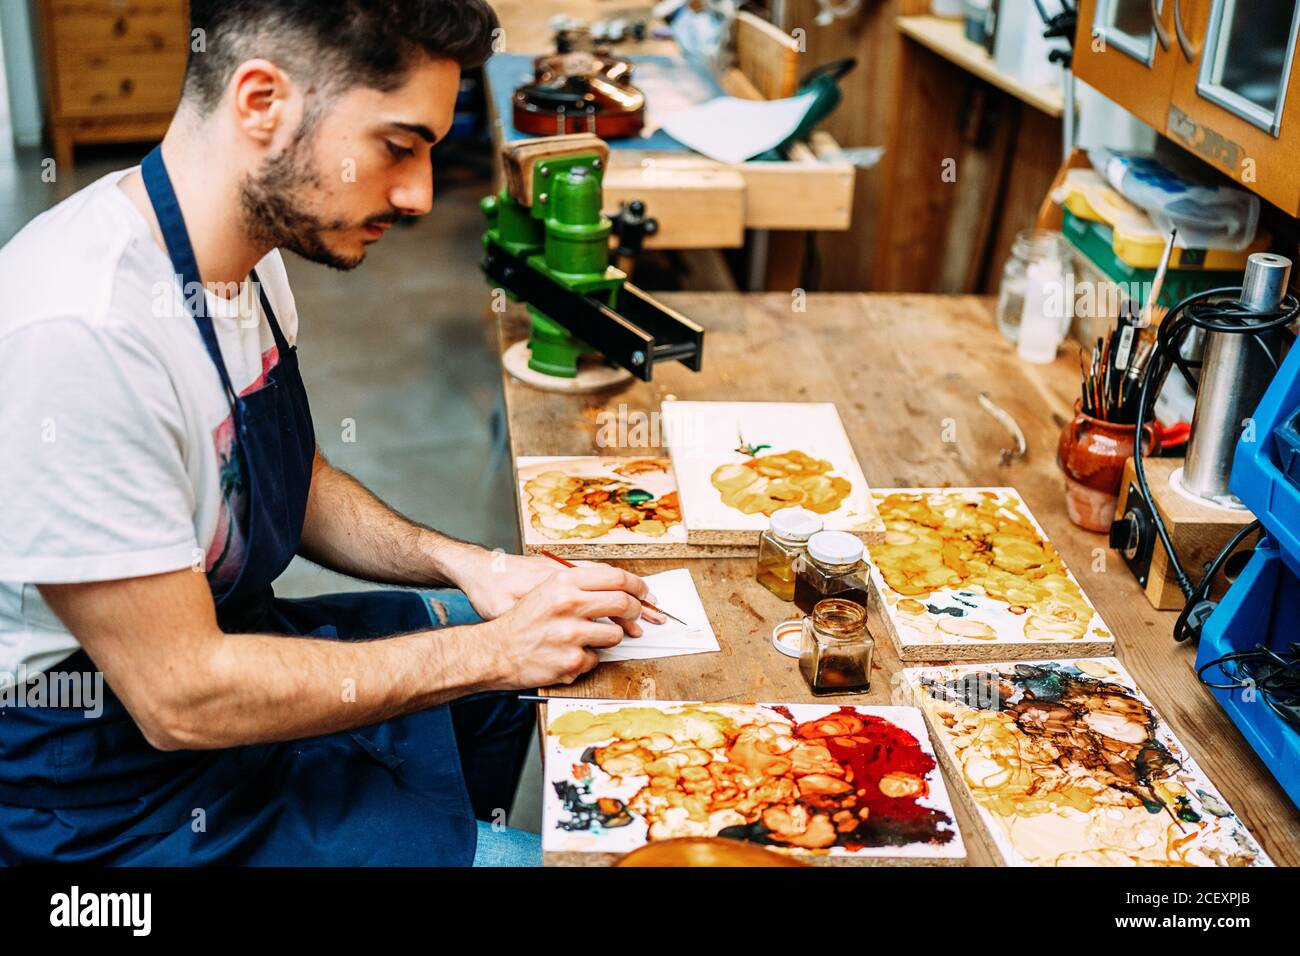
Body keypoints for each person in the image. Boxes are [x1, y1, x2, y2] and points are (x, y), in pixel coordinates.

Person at [0, 0, 663, 866]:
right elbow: (181, 699)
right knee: (521, 811)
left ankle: (464, 831)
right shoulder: (79, 338)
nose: (422, 195)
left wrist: (476, 567)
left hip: (229, 648)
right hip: (109, 789)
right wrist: (494, 650)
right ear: (262, 103)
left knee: (527, 651)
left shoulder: (250, 254)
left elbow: (286, 477)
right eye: (398, 146)